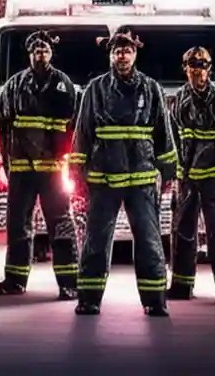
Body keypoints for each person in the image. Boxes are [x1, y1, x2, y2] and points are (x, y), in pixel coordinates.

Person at [69, 27, 178, 317]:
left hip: (141, 180)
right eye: (117, 51)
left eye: (127, 50)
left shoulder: (152, 88)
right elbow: (83, 133)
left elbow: (163, 134)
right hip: (104, 179)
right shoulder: (96, 89)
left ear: (135, 53)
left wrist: (168, 171)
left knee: (150, 242)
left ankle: (155, 301)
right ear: (110, 55)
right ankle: (89, 299)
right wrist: (78, 173)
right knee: (96, 241)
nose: (122, 55)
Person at [0, 30, 80, 300]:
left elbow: (74, 127)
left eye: (45, 50)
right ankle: (15, 280)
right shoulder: (14, 86)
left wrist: (69, 162)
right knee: (18, 225)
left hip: (52, 170)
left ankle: (69, 282)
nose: (41, 54)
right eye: (36, 51)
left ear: (51, 54)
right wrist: (8, 161)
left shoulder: (63, 84)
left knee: (61, 223)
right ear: (29, 54)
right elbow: (2, 124)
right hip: (22, 170)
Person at [167, 46, 215, 305]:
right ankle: (181, 285)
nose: (198, 69)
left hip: (213, 174)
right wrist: (175, 172)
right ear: (185, 67)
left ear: (210, 69)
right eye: (193, 64)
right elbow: (172, 139)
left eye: (203, 64)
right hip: (186, 175)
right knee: (182, 230)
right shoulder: (177, 102)